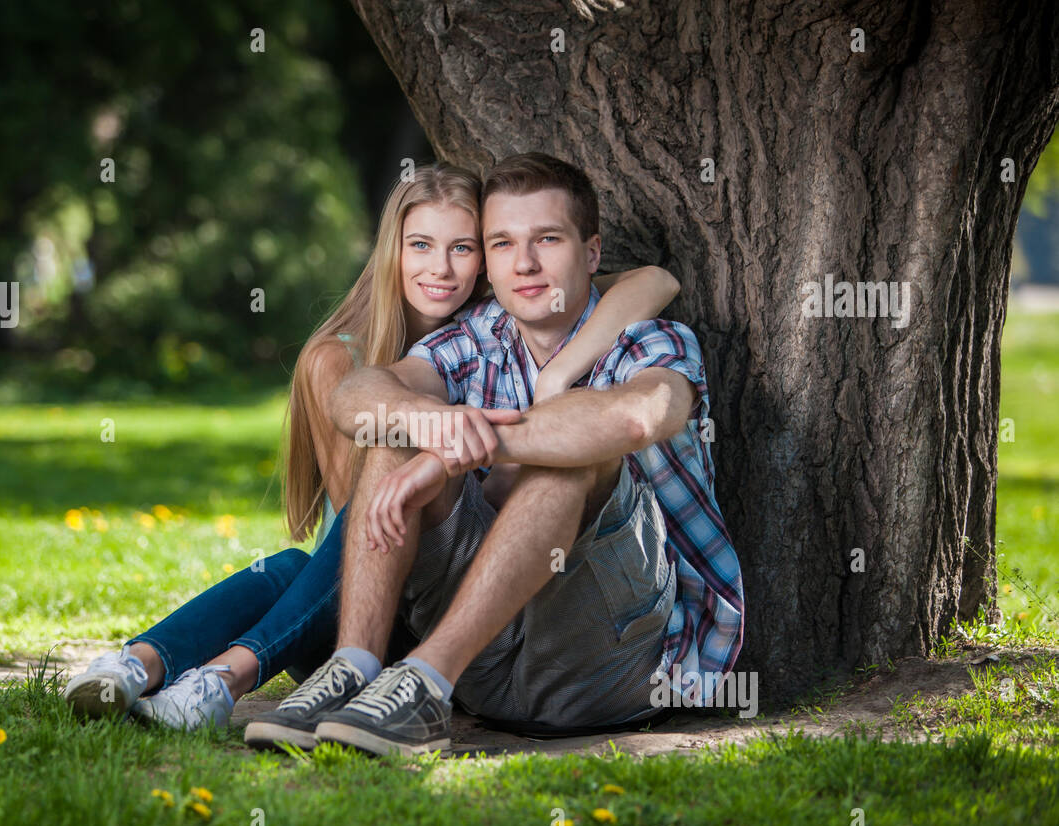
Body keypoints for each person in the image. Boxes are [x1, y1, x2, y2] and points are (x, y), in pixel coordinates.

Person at [63, 161, 683, 735]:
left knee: (554, 458)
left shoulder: (570, 329)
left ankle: (213, 676)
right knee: (352, 491)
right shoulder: (359, 355)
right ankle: (166, 668)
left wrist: (489, 424)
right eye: (422, 246)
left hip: (574, 629)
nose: (442, 268)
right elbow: (356, 511)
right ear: (393, 252)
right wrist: (429, 430)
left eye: (462, 247)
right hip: (388, 602)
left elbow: (649, 291)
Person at [245, 152, 745, 756]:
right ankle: (356, 670)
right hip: (484, 669)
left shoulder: (653, 339)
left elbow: (639, 415)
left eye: (548, 239)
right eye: (503, 243)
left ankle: (425, 681)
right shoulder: (476, 338)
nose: (525, 263)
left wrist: (463, 449)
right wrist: (434, 426)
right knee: (394, 433)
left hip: (617, 662)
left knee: (570, 459)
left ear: (591, 253)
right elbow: (359, 394)